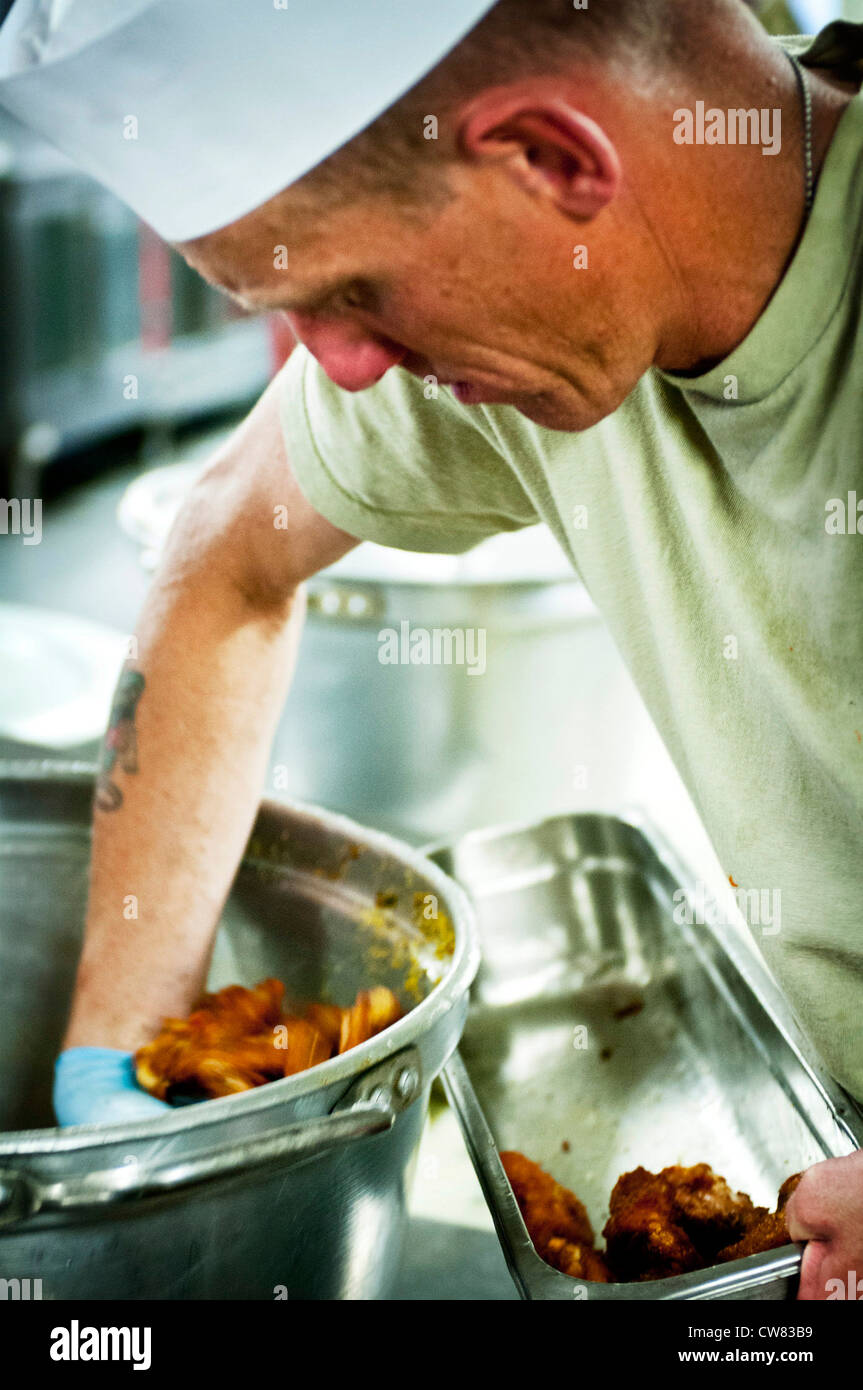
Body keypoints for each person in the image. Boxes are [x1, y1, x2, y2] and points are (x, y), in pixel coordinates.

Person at [2, 0, 862, 1301]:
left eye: (350, 290)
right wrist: (111, 1091)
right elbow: (219, 562)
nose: (344, 369)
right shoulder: (515, 321)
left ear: (554, 160)